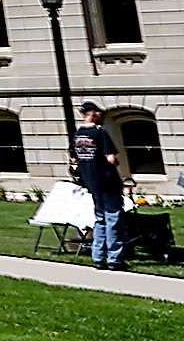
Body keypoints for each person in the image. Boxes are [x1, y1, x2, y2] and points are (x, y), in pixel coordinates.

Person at [71, 101, 128, 270]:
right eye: (100, 114)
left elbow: (74, 159)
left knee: (100, 219)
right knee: (113, 219)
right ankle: (114, 258)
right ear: (94, 114)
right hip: (108, 181)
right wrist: (116, 163)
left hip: (91, 182)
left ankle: (98, 256)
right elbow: (110, 158)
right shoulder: (100, 133)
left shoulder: (77, 135)